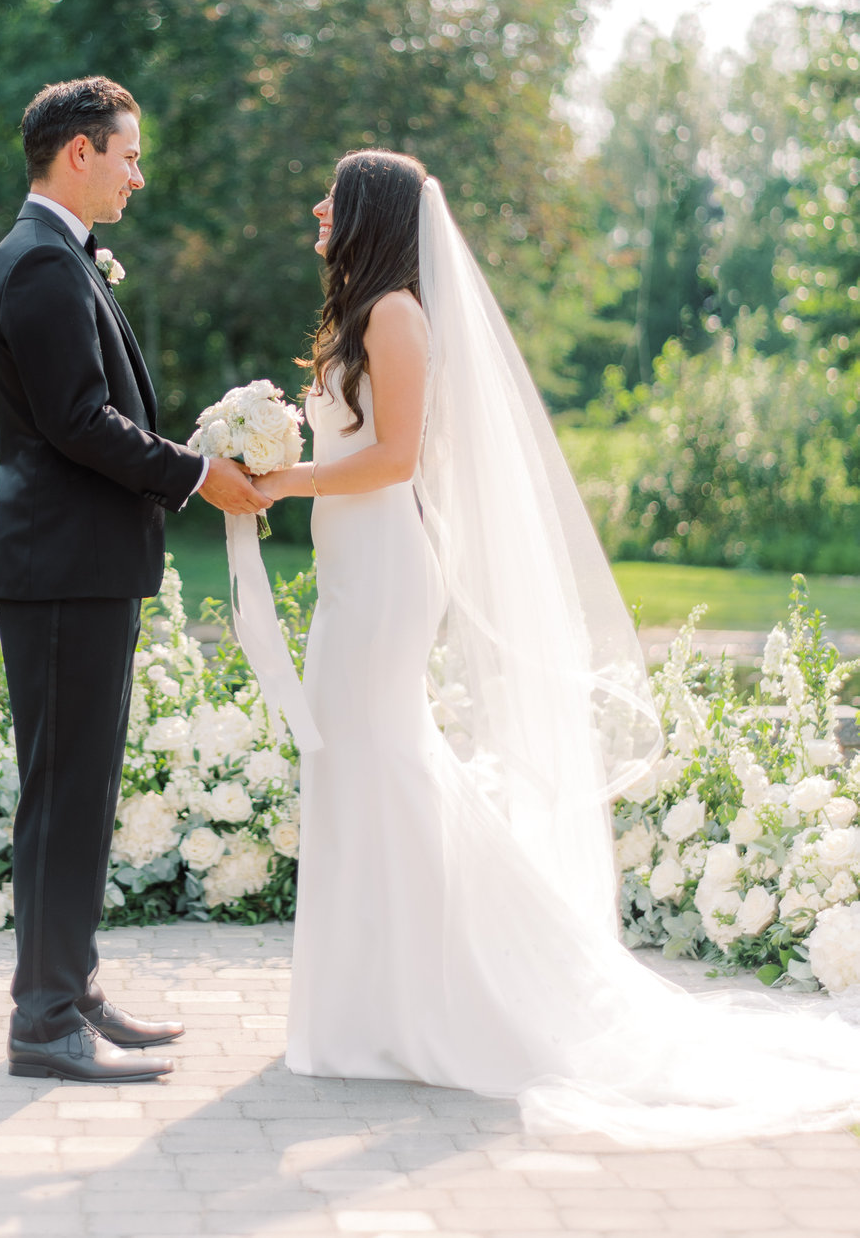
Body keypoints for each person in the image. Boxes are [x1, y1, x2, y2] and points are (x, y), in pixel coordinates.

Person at [251, 148, 860, 1145]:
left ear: (367, 212)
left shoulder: (394, 313)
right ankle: (365, 1000)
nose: (318, 207)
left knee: (384, 762)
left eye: (332, 194)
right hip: (352, 574)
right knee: (354, 765)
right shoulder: (362, 313)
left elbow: (395, 458)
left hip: (388, 574)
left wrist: (284, 479)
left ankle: (455, 985)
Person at [0, 76, 270, 1083]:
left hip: (76, 568)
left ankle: (70, 987)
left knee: (79, 791)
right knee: (64, 795)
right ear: (79, 154)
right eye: (128, 156)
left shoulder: (57, 254)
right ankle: (44, 1020)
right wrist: (196, 473)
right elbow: (77, 421)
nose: (138, 177)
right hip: (62, 568)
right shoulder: (40, 263)